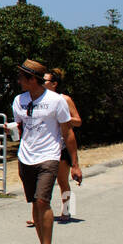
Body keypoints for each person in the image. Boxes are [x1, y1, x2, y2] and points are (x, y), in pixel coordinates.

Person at [13, 58, 82, 244]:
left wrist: (75, 164)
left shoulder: (58, 100)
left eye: (21, 77)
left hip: (50, 156)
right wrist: (11, 130)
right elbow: (19, 127)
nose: (18, 81)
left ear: (32, 79)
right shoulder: (19, 100)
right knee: (35, 201)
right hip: (26, 157)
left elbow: (68, 130)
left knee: (44, 199)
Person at [43, 67, 82, 223]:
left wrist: (63, 118)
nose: (41, 82)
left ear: (54, 83)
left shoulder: (64, 99)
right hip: (45, 146)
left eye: (44, 80)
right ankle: (39, 215)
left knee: (62, 181)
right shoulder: (39, 100)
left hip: (62, 146)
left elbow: (78, 121)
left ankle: (68, 210)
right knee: (43, 183)